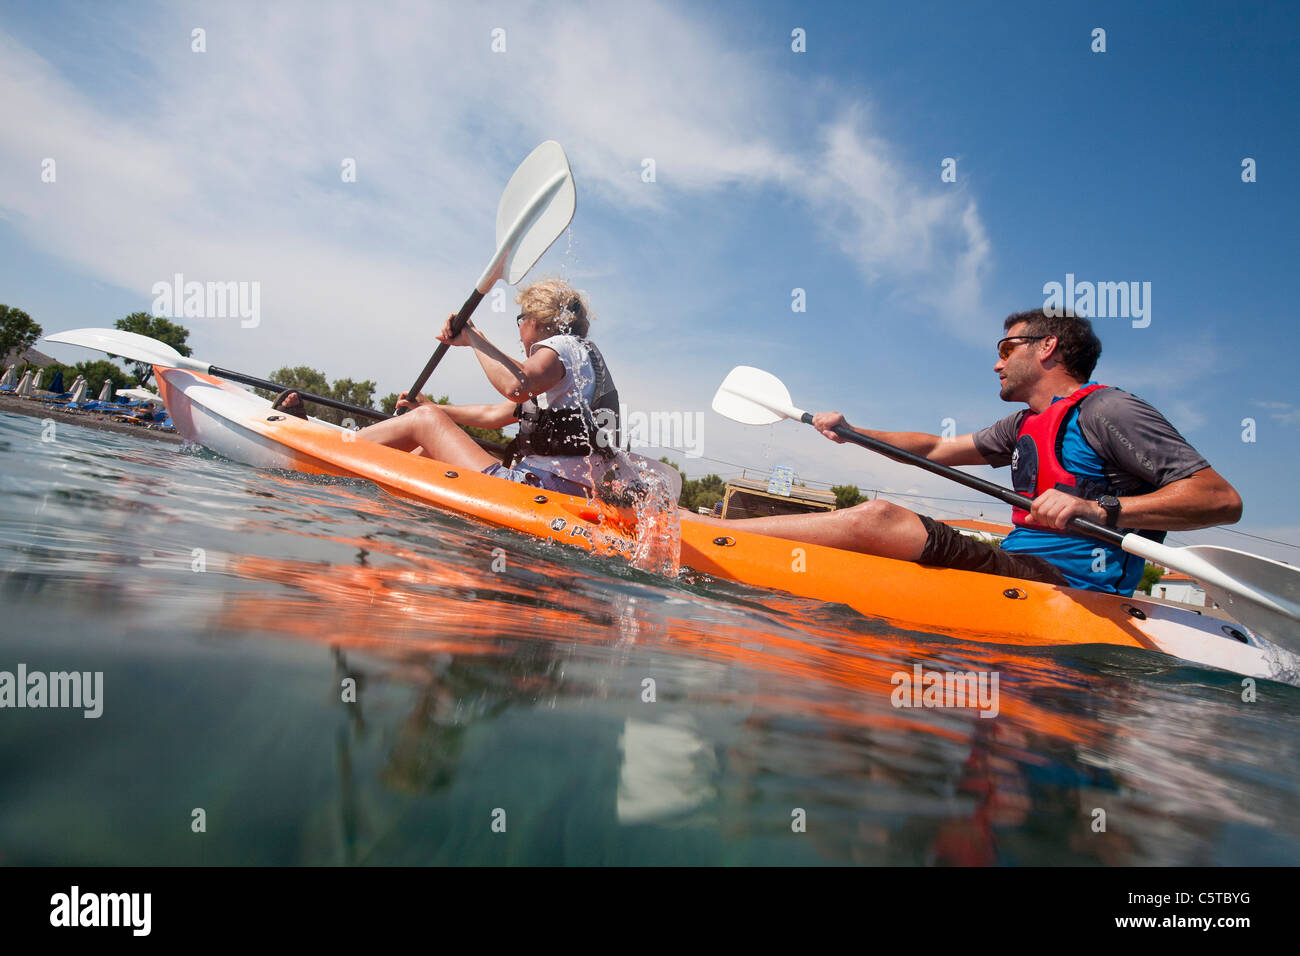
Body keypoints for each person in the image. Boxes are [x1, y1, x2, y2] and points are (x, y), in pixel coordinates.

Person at [685, 309, 1242, 595]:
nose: (997, 362)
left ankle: (694, 532)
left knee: (882, 517)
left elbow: (1219, 500)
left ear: (1048, 347)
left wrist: (1101, 511)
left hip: (1069, 583)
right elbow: (933, 447)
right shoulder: (1024, 424)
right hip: (1022, 562)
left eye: (1007, 348)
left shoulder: (1110, 412)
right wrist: (854, 428)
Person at [276, 279, 621, 497]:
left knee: (425, 424)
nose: (519, 333)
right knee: (428, 439)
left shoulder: (562, 347)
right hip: (567, 492)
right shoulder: (579, 367)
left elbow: (515, 385)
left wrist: (473, 338)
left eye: (520, 322)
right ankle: (370, 482)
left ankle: (317, 448)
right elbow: (497, 413)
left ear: (534, 321)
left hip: (536, 490)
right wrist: (433, 408)